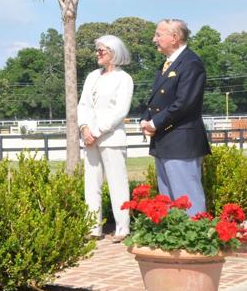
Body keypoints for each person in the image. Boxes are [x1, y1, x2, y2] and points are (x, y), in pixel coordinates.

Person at [140, 19, 210, 217]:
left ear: (175, 37)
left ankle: (196, 244)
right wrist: (146, 120)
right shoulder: (169, 63)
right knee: (169, 199)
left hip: (182, 141)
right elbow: (158, 100)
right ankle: (175, 242)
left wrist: (154, 123)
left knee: (187, 198)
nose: (154, 39)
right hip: (165, 139)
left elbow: (185, 103)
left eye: (158, 34)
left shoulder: (191, 63)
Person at [77, 35, 134, 242]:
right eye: (97, 50)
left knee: (118, 183)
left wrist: (97, 131)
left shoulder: (124, 79)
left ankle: (122, 228)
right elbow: (83, 104)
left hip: (111, 138)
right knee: (91, 184)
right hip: (89, 138)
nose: (98, 53)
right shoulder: (92, 76)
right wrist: (84, 128)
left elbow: (120, 111)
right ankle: (93, 227)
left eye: (102, 50)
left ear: (114, 53)